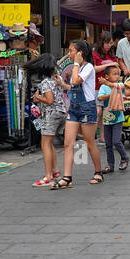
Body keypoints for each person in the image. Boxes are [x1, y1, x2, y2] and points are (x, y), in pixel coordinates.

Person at [52, 39, 104, 189]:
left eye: (71, 51)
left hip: (87, 108)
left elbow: (75, 81)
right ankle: (67, 177)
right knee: (68, 143)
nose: (69, 54)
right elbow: (72, 87)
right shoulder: (78, 68)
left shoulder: (88, 68)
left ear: (80, 53)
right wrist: (62, 85)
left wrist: (75, 63)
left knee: (89, 142)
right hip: (74, 108)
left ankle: (98, 172)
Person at [27, 53, 64, 187]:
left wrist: (38, 98)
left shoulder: (45, 82)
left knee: (45, 144)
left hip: (50, 114)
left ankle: (48, 176)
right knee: (50, 143)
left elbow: (49, 100)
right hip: (60, 113)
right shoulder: (57, 78)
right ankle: (56, 172)